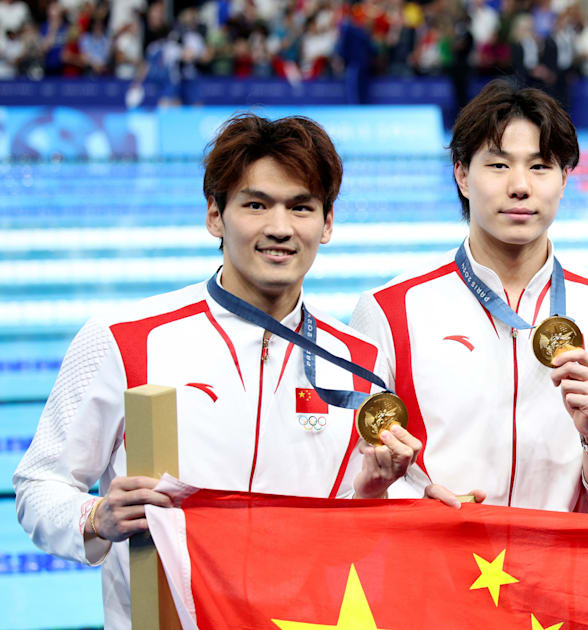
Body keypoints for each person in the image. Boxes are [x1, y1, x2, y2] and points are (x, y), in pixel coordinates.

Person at [13, 114, 419, 630]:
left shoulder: (359, 359)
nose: (280, 227)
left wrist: (370, 492)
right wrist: (95, 518)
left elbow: (356, 536)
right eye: (256, 204)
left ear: (328, 223)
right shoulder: (126, 338)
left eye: (301, 207)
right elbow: (38, 484)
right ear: (214, 216)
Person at [351, 79, 588, 515]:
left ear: (564, 179)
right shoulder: (389, 309)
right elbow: (351, 481)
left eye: (539, 167)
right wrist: (411, 500)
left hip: (560, 577)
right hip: (435, 570)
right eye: (498, 165)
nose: (520, 186)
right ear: (461, 175)